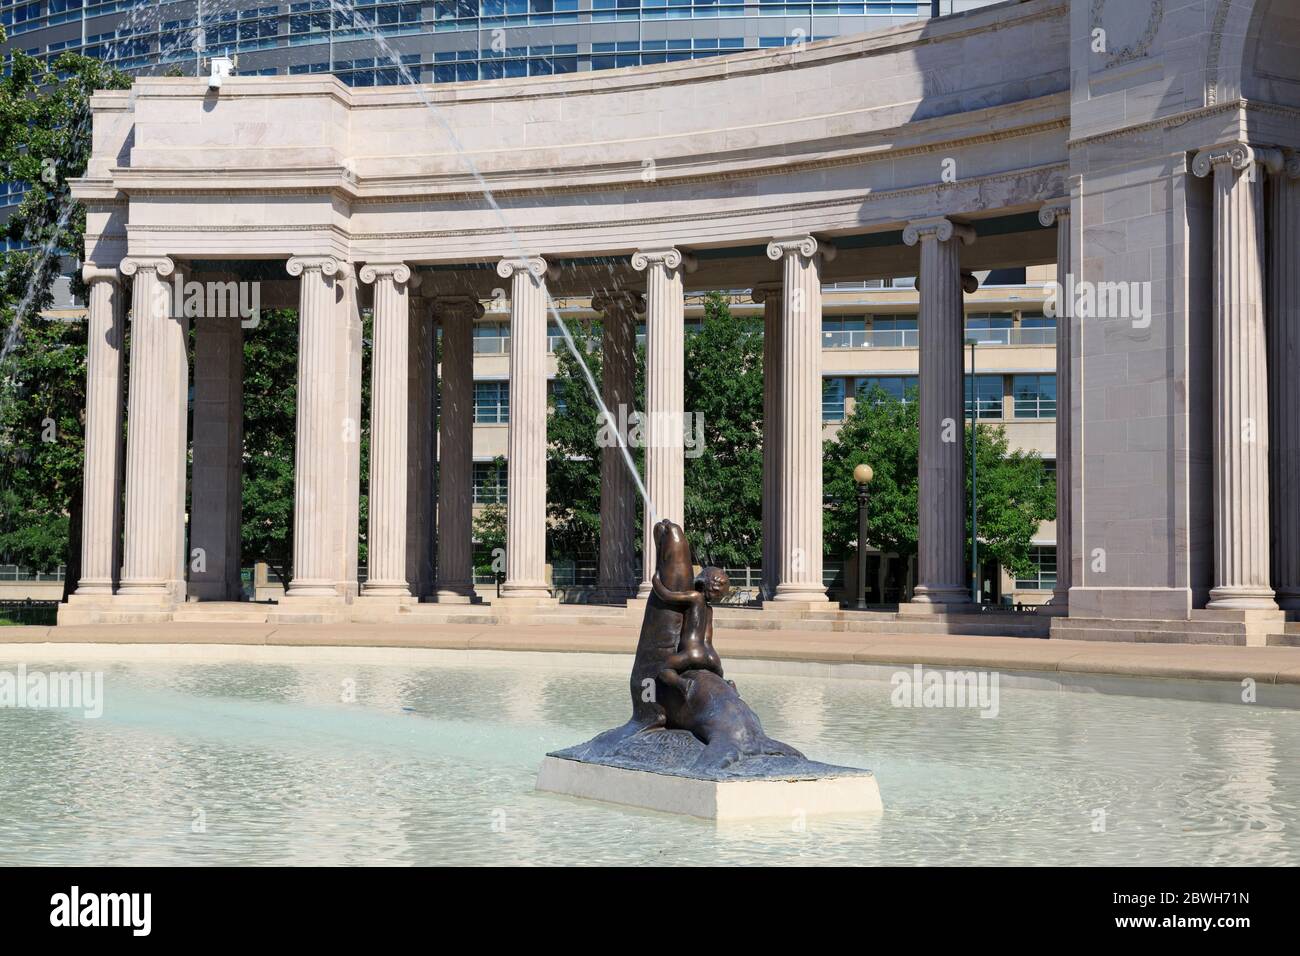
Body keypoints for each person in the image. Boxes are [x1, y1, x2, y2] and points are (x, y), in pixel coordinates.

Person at [652, 566, 729, 679]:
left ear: (702, 583)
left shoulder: (695, 597)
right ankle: (729, 685)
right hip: (712, 656)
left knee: (664, 669)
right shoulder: (709, 610)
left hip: (692, 652)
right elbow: (708, 637)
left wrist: (655, 580)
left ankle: (683, 685)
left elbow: (666, 596)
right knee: (720, 676)